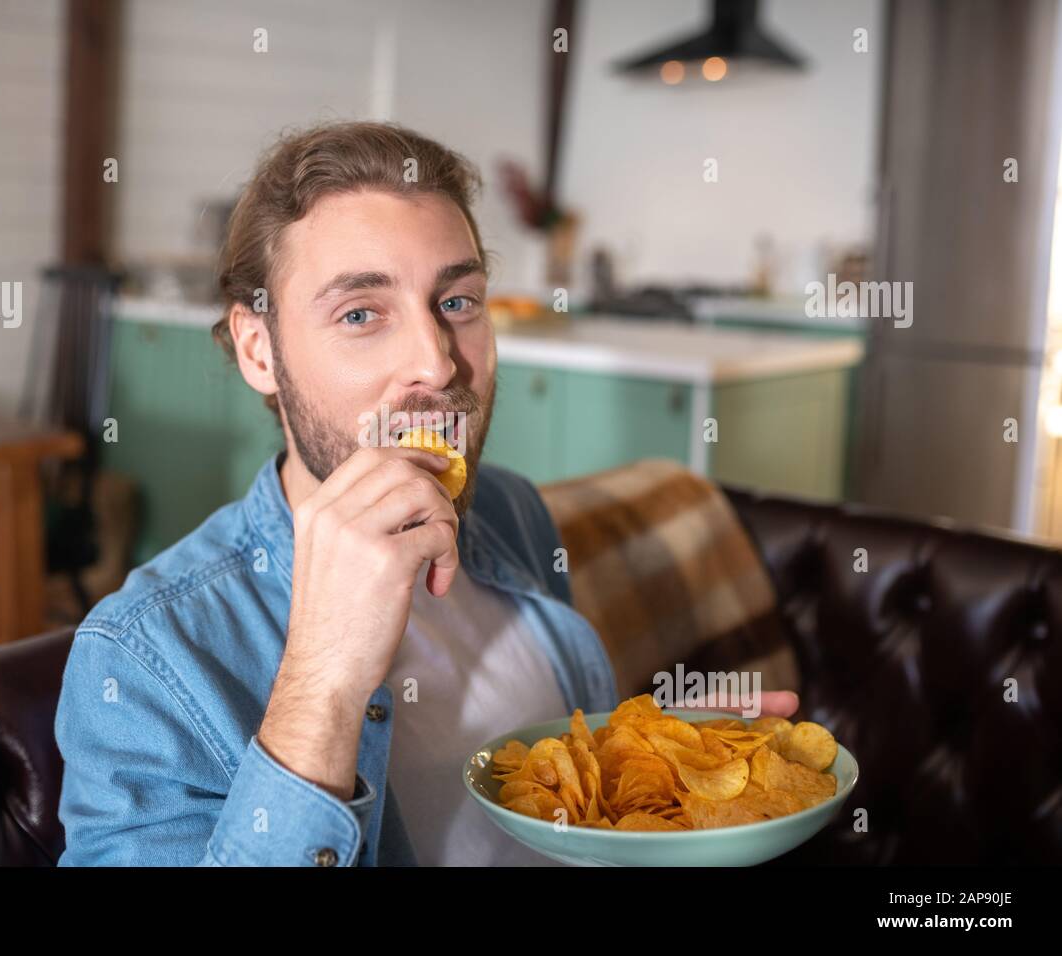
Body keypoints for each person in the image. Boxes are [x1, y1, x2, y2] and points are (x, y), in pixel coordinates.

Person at [54, 120, 798, 866]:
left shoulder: (509, 512)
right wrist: (325, 682)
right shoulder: (143, 658)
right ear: (258, 350)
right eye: (360, 313)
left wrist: (654, 766)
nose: (436, 365)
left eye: (457, 302)